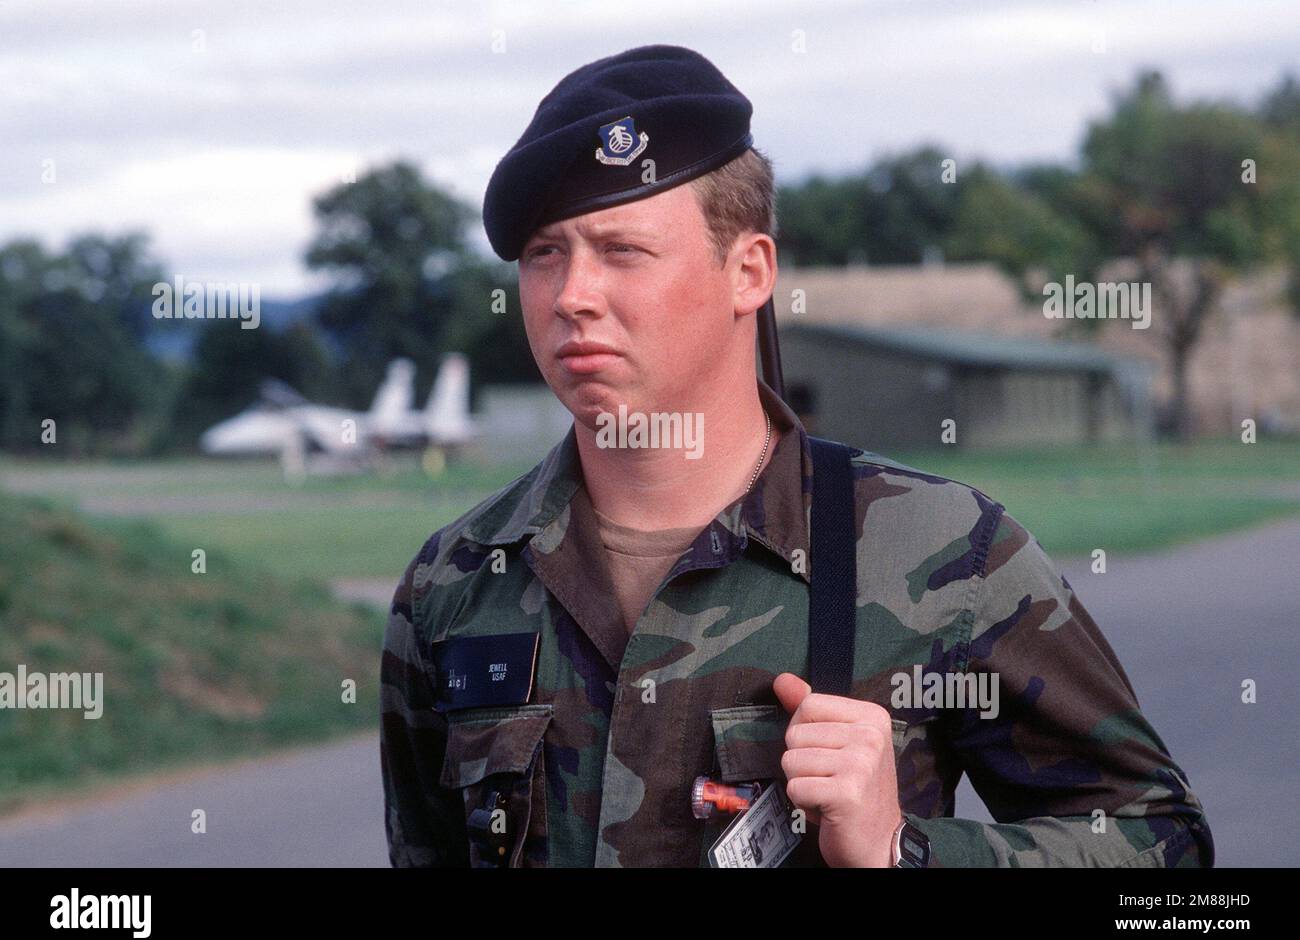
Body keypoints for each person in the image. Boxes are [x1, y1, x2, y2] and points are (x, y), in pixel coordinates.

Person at [380, 44, 1213, 868]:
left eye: (622, 250)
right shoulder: (456, 585)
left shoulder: (943, 555)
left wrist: (903, 851)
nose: (571, 296)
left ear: (749, 272)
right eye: (542, 255)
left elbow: (1163, 848)